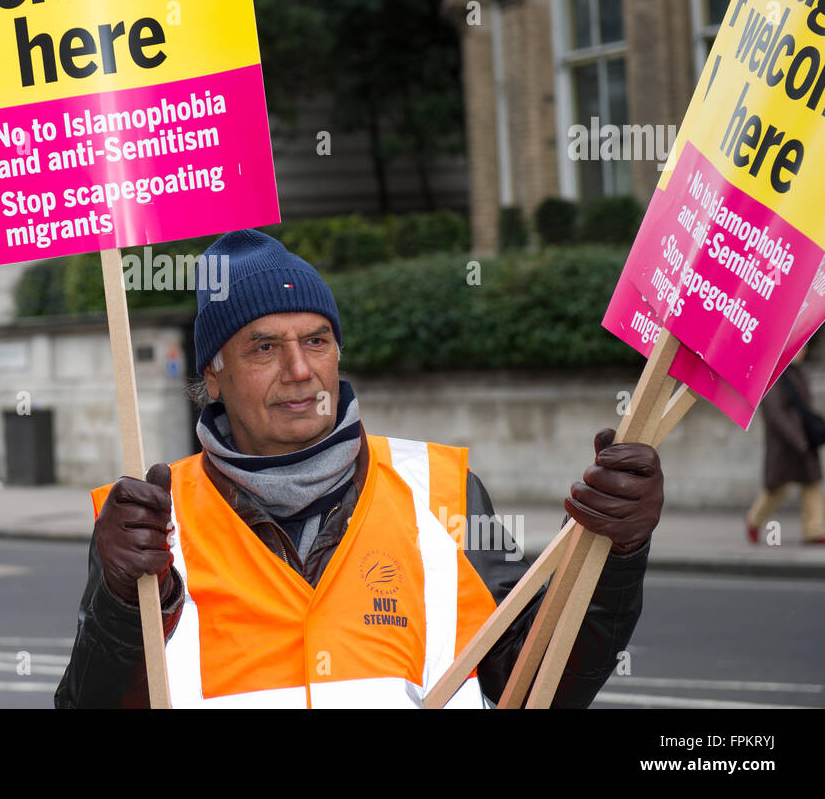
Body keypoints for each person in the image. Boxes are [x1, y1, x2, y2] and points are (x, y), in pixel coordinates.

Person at [55, 229, 664, 709]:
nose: (299, 370)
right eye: (264, 347)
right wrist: (119, 600)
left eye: (316, 341)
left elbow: (539, 687)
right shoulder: (149, 521)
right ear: (212, 375)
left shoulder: (442, 492)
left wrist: (616, 552)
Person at [747, 346, 825, 545]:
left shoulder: (796, 373)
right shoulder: (775, 377)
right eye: (801, 349)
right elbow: (777, 415)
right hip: (786, 443)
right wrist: (797, 439)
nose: (804, 352)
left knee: (812, 483)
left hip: (802, 440)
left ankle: (813, 530)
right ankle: (754, 520)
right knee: (777, 488)